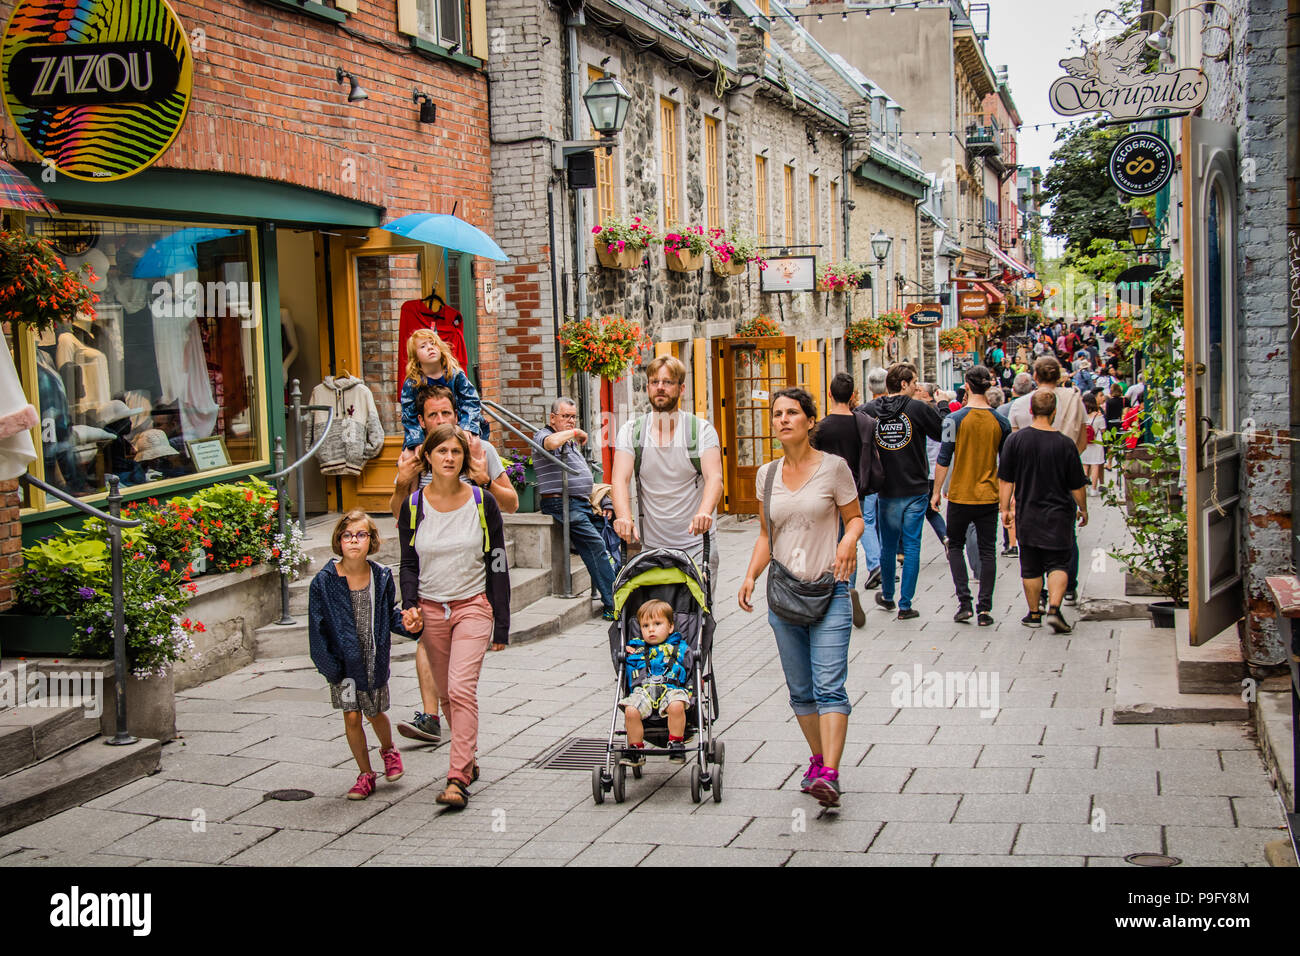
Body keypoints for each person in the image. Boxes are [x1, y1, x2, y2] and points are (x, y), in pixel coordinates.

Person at [739, 388, 862, 808]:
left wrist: (848, 542)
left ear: (811, 421)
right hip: (785, 593)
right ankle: (817, 758)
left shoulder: (834, 469)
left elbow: (856, 519)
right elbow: (764, 534)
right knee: (800, 690)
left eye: (793, 413)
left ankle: (830, 773)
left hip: (830, 589)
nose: (783, 419)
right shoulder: (766, 475)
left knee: (830, 686)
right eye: (777, 414)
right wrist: (751, 576)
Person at [391, 383, 516, 746]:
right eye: (433, 415)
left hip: (470, 572)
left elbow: (511, 504)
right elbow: (400, 518)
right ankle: (434, 714)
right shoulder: (415, 457)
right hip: (430, 575)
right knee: (434, 652)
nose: (441, 419)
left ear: (456, 415)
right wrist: (401, 484)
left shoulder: (481, 451)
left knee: (459, 685)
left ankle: (452, 744)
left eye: (447, 413)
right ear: (422, 420)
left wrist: (484, 479)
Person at [398, 424, 512, 809]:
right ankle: (469, 759)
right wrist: (409, 603)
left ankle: (457, 778)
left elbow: (497, 561)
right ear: (427, 457)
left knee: (461, 689)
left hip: (473, 606)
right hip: (431, 609)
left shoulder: (483, 501)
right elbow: (408, 561)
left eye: (456, 452)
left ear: (465, 459)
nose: (449, 458)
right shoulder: (414, 505)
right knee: (446, 693)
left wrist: (503, 621)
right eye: (441, 451)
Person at [308, 511, 417, 800]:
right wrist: (329, 668)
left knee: (373, 712)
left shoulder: (380, 576)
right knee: (352, 717)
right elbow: (317, 630)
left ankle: (389, 750)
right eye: (347, 535)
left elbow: (388, 616)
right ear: (338, 541)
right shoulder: (324, 581)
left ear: (371, 540)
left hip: (372, 660)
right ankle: (365, 773)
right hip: (342, 666)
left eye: (361, 535)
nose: (354, 541)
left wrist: (410, 626)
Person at [612, 356, 723, 579]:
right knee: (653, 613)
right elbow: (620, 479)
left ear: (681, 388)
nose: (660, 387)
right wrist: (624, 516)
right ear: (647, 387)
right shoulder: (632, 431)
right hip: (651, 547)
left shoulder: (700, 431)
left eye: (668, 382)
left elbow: (714, 478)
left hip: (696, 545)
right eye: (655, 382)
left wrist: (704, 512)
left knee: (696, 613)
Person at [998, 390, 1089, 633]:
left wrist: (1004, 509)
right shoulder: (1065, 444)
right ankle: (1055, 608)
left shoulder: (1015, 441)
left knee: (1030, 566)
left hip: (1028, 513)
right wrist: (1084, 508)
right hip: (1059, 514)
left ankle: (1034, 613)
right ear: (1054, 412)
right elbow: (1076, 485)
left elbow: (1006, 480)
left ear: (1030, 411)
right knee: (1058, 563)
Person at [860, 363, 943, 619]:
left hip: (887, 488)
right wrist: (940, 406)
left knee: (888, 546)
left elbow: (854, 422)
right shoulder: (918, 409)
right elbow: (942, 433)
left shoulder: (871, 409)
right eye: (915, 382)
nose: (918, 387)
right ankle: (905, 605)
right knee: (912, 545)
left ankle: (887, 596)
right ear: (904, 384)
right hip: (916, 486)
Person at [932, 366, 1010, 626]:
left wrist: (936, 492)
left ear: (966, 384)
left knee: (954, 546)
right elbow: (1007, 464)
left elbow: (944, 458)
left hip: (960, 494)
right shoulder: (1001, 422)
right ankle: (985, 608)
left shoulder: (952, 420)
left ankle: (964, 603)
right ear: (988, 386)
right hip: (989, 495)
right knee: (988, 551)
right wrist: (1008, 501)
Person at [812, 371, 884, 627]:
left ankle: (833, 590)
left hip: (828, 495)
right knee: (850, 542)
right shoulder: (863, 423)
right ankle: (847, 588)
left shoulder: (821, 427)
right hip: (856, 492)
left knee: (831, 542)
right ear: (853, 395)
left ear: (829, 394)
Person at [535, 397, 616, 619]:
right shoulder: (543, 435)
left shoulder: (568, 442)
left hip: (580, 503)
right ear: (552, 418)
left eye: (573, 417)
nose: (571, 421)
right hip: (560, 502)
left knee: (614, 534)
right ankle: (613, 603)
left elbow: (587, 479)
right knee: (595, 544)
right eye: (565, 417)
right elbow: (550, 443)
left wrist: (605, 501)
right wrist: (575, 432)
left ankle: (619, 590)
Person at [619, 599, 693, 765]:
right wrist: (626, 652)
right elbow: (627, 670)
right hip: (643, 691)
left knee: (677, 704)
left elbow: (691, 668)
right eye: (645, 626)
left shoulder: (680, 648)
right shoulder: (636, 649)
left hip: (671, 688)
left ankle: (676, 743)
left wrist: (695, 683)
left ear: (670, 627)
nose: (651, 629)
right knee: (630, 710)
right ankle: (636, 749)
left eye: (657, 624)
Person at [400, 329, 487, 446]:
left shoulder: (455, 375)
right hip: (427, 432)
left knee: (474, 444)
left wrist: (467, 427)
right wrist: (417, 441)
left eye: (433, 343)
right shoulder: (412, 383)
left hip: (460, 424)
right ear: (415, 357)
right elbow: (409, 415)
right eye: (423, 346)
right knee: (410, 456)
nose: (430, 348)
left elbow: (471, 400)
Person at [853, 366, 889, 590]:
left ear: (869, 387)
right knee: (881, 520)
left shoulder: (862, 412)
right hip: (892, 472)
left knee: (867, 519)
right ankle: (883, 563)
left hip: (870, 472)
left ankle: (876, 563)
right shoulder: (898, 410)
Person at [1081, 392, 1107, 493]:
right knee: (1095, 465)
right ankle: (1094, 489)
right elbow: (1103, 430)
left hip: (1084, 442)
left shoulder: (1082, 416)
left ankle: (1085, 487)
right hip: (1096, 442)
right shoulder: (1098, 416)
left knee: (1085, 465)